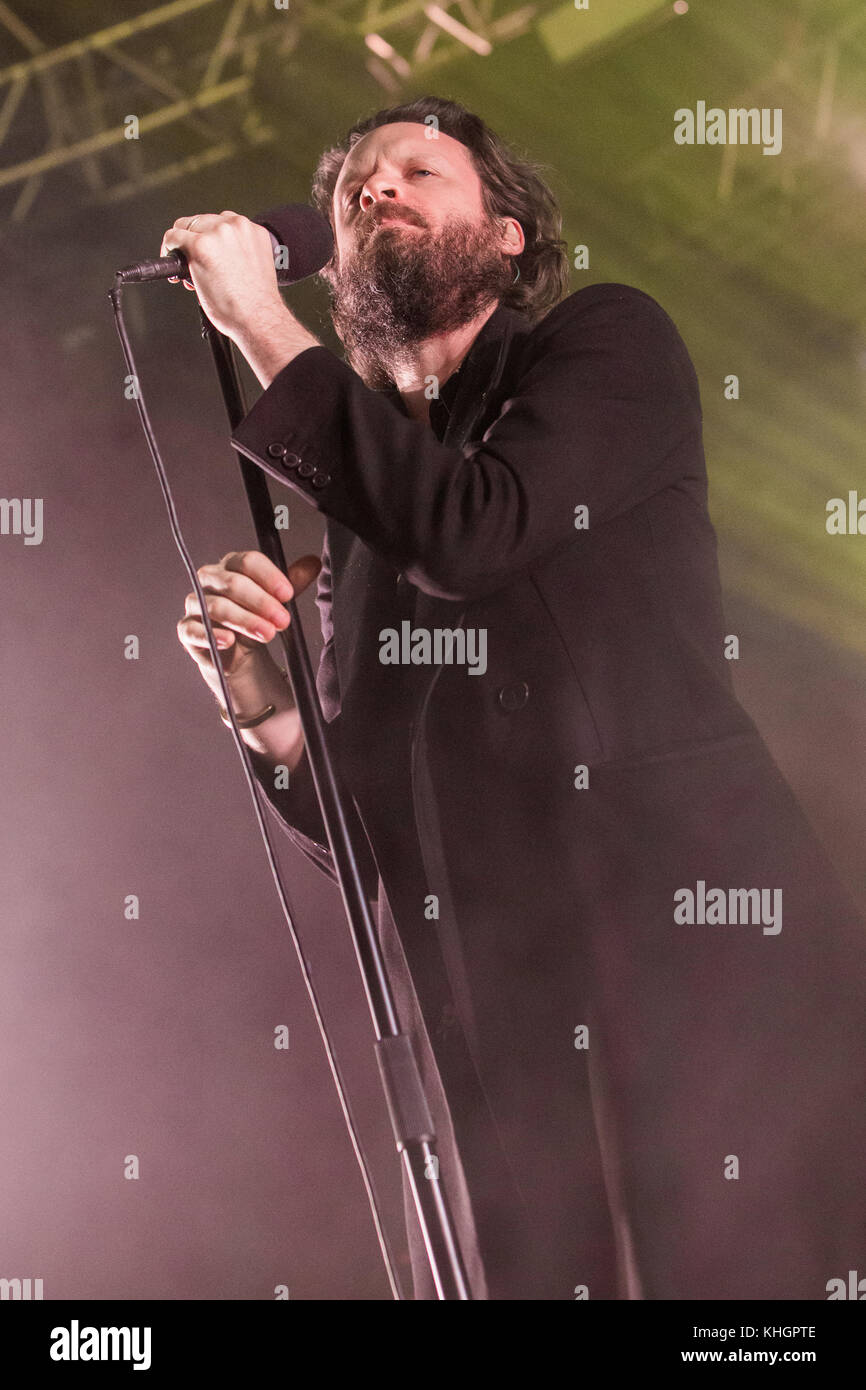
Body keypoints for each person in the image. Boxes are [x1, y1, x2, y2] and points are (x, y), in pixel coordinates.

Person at [171, 95, 866, 1300]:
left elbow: (474, 532)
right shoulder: (369, 515)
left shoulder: (605, 345)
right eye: (354, 188)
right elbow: (375, 821)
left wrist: (258, 325)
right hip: (505, 1009)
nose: (375, 189)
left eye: (418, 171)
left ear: (504, 236)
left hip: (691, 962)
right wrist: (268, 710)